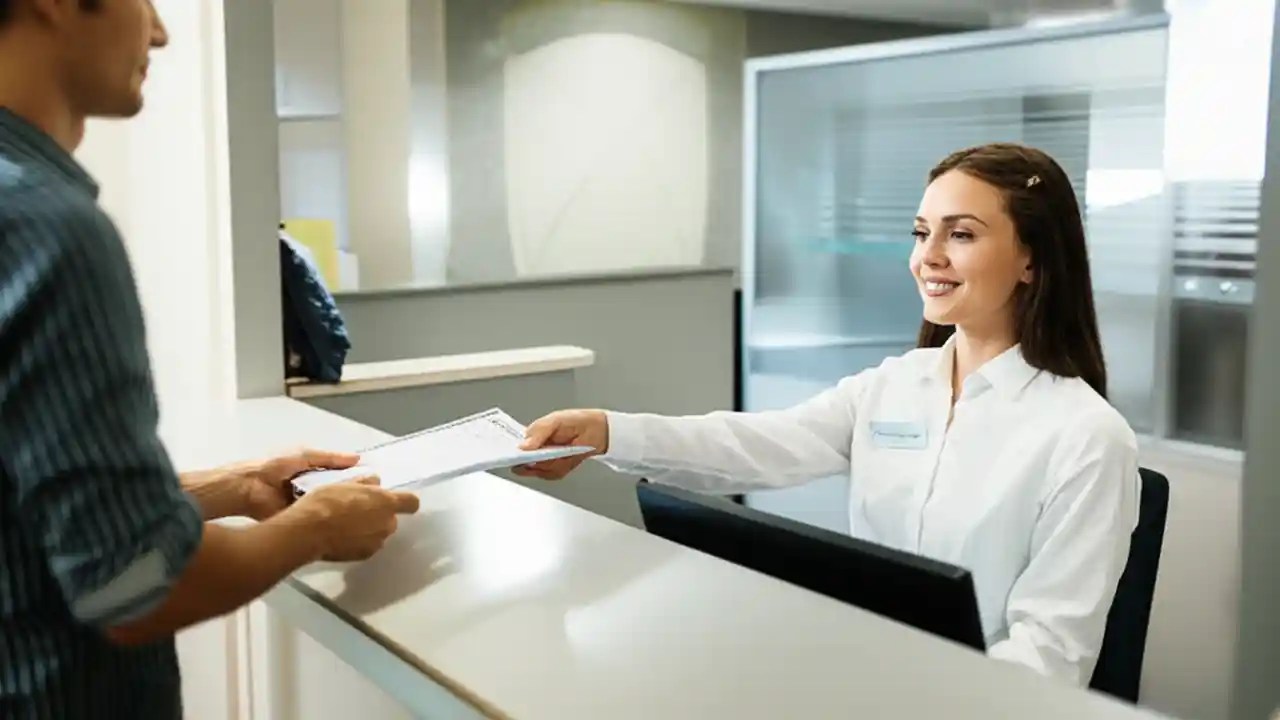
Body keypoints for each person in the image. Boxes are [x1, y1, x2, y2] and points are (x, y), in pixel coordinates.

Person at [518, 142, 1140, 686]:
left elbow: (1049, 655)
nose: (929, 257)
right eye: (922, 232)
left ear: (1032, 260)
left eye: (963, 234)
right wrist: (610, 432)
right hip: (865, 680)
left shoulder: (1086, 437)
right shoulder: (893, 386)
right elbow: (760, 444)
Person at [0, 1, 418, 718]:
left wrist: (236, 484)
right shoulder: (50, 230)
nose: (158, 32)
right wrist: (314, 528)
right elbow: (129, 587)